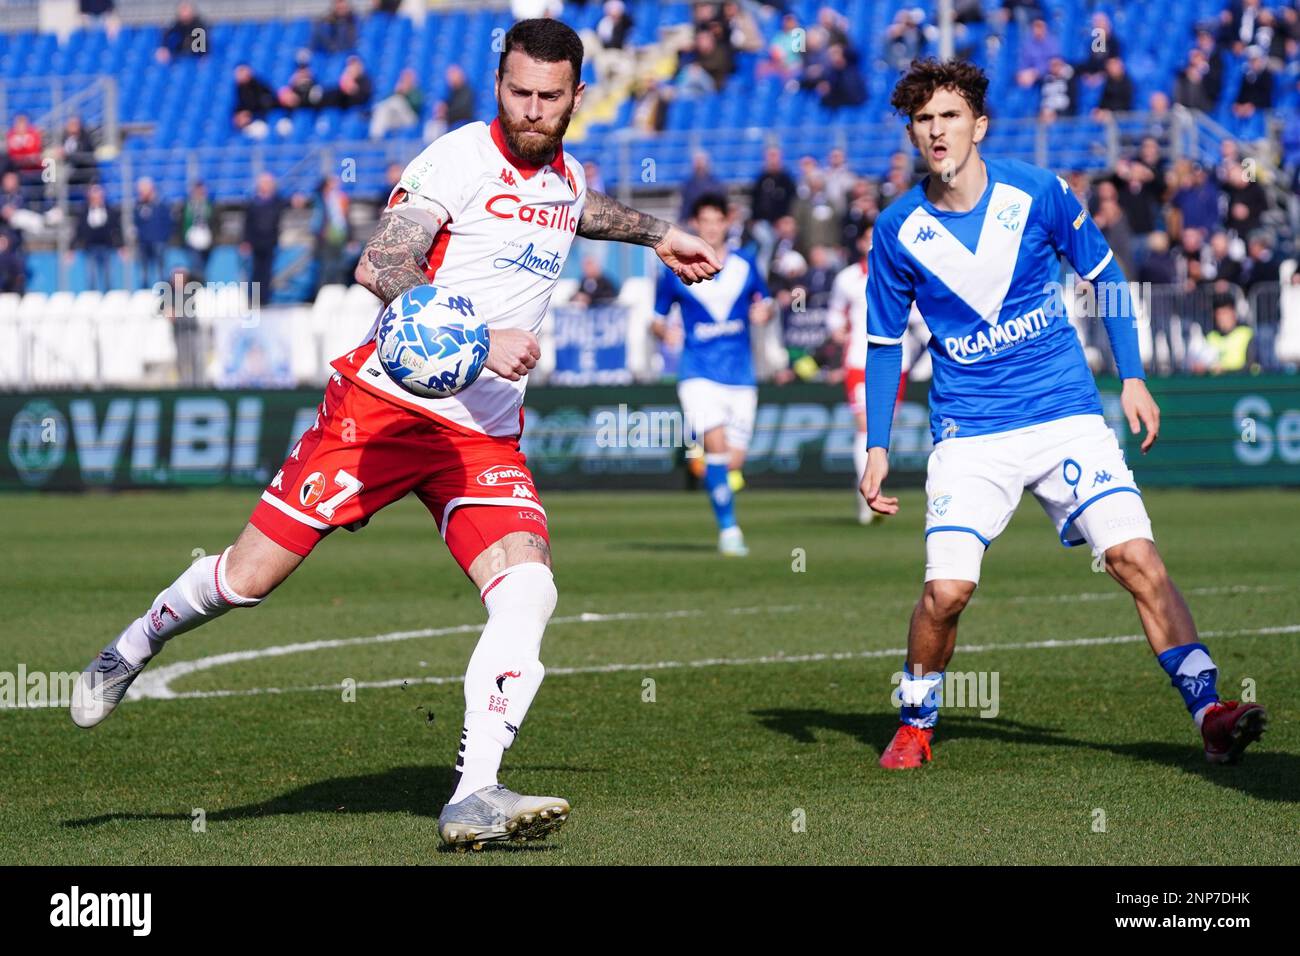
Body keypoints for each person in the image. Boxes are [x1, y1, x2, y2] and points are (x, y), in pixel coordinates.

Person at [70, 18, 722, 852]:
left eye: (548, 98)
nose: (530, 110)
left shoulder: (566, 174)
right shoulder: (455, 160)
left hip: (480, 436)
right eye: (517, 93)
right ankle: (134, 644)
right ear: (499, 88)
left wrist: (658, 233)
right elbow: (383, 266)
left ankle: (474, 791)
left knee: (530, 590)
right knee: (246, 579)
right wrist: (482, 342)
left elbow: (570, 210)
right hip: (381, 411)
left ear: (577, 99)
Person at [861, 58, 1267, 771]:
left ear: (978, 125)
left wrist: (1133, 376)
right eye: (923, 119)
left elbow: (1106, 277)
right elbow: (884, 344)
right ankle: (916, 720)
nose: (936, 130)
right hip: (970, 431)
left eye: (950, 116)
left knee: (1135, 559)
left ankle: (1209, 711)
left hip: (1065, 413)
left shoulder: (1039, 192)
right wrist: (876, 445)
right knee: (946, 592)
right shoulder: (898, 229)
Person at [650, 193, 772, 557]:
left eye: (717, 221)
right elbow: (656, 319)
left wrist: (766, 312)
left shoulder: (746, 265)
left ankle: (705, 466)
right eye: (704, 221)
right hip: (697, 372)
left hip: (741, 375)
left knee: (732, 462)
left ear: (727, 222)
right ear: (696, 225)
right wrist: (664, 332)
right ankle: (729, 530)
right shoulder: (676, 269)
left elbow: (765, 301)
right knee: (716, 444)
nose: (711, 227)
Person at [1192, 292, 1254, 374]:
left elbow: (1251, 366)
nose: (1222, 318)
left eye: (1225, 313)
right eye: (1219, 314)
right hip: (1215, 384)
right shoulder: (1210, 337)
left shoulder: (1246, 334)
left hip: (1240, 383)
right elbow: (1205, 362)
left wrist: (1226, 370)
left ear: (1233, 313)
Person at [133, 177, 173, 288]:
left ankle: (163, 292)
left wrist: (163, 237)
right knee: (143, 271)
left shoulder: (161, 204)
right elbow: (136, 223)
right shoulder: (138, 205)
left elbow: (168, 223)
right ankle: (144, 291)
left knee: (161, 270)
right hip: (143, 243)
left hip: (159, 242)